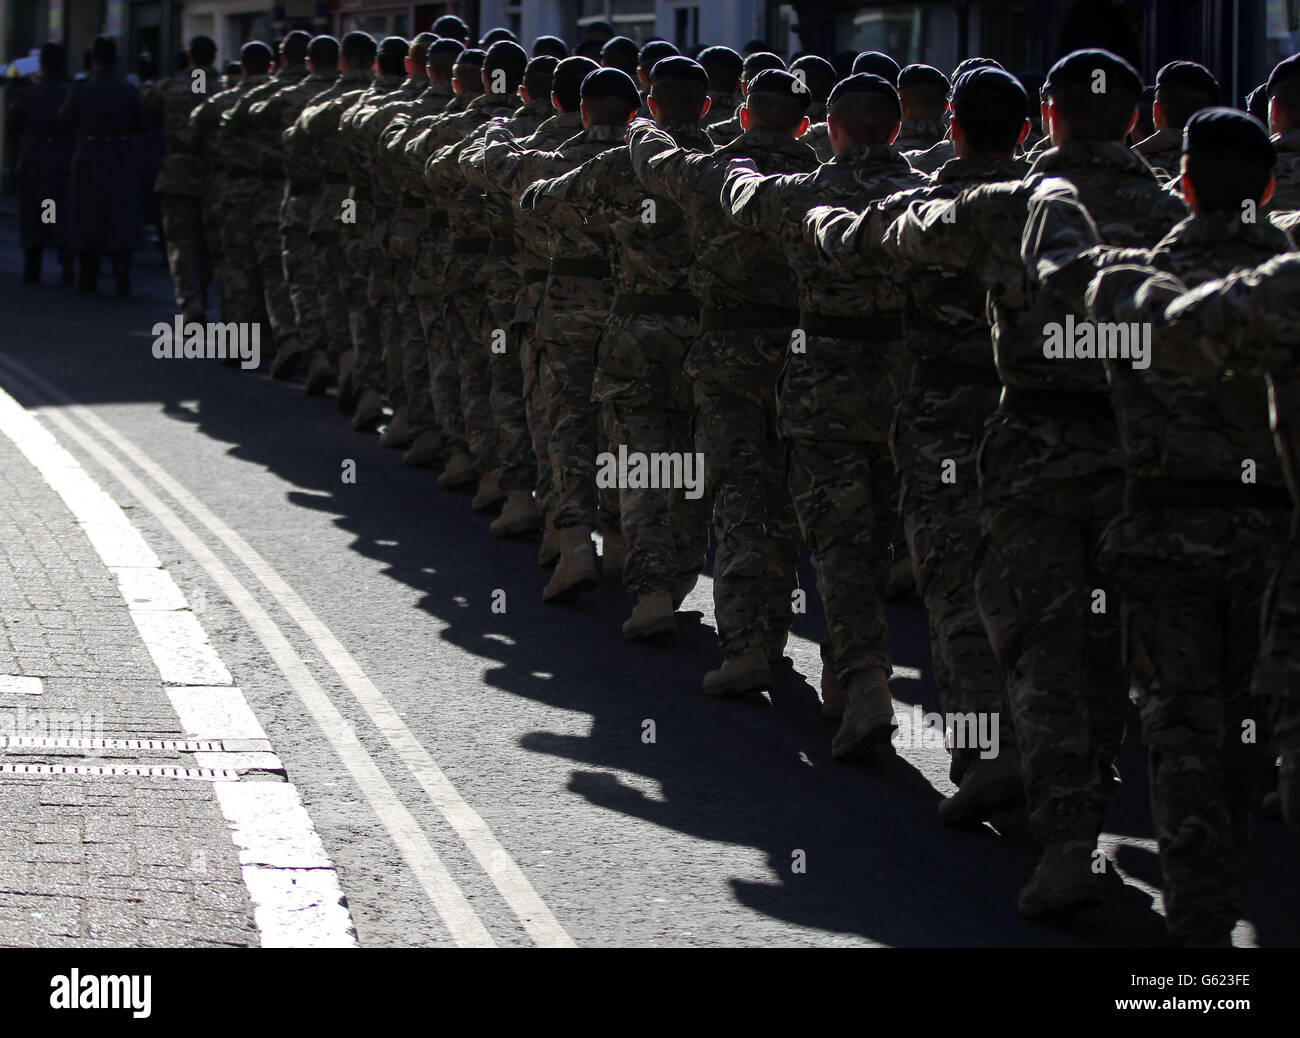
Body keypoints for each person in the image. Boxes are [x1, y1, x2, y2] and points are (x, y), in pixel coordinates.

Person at [887, 48, 1187, 919]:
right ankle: (1140, 838)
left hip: (1030, 449)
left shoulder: (1009, 205)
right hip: (1137, 456)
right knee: (1120, 652)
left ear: (1044, 116)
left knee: (1043, 642)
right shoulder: (1170, 209)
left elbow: (901, 238)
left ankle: (1067, 844)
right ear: (1135, 118)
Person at [1084, 106, 1291, 947]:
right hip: (1270, 539)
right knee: (1248, 721)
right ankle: (1233, 868)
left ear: (1186, 184)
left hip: (1164, 531)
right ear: (1268, 188)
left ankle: (1200, 918)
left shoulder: (1133, 282)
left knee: (1177, 725)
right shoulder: (1286, 280)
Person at [804, 66, 1032, 813]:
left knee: (948, 579)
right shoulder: (1060, 207)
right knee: (1050, 587)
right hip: (1047, 419)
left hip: (937, 405)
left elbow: (849, 240)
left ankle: (971, 740)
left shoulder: (927, 205)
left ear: (951, 128)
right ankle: (1072, 766)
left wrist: (821, 220)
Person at [720, 72, 927, 754]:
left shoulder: (809, 190)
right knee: (878, 540)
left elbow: (740, 198)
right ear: (894, 129)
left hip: (822, 390)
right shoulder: (923, 194)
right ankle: (845, 671)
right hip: (902, 387)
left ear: (829, 129)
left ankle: (865, 679)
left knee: (837, 540)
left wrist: (746, 160)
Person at [628, 67, 820, 692]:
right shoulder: (824, 185)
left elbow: (657, 160)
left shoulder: (713, 173)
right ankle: (773, 635)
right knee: (789, 502)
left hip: (727, 357)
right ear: (803, 123)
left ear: (741, 115)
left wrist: (642, 124)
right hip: (805, 358)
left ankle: (743, 649)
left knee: (738, 498)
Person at [58, 35, 145, 295]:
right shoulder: (128, 89)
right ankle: (121, 265)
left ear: (94, 60)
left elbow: (64, 121)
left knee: (87, 216)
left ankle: (88, 274)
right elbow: (140, 123)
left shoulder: (81, 88)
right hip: (119, 155)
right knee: (120, 215)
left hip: (89, 156)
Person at [6, 42, 74, 286]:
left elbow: (12, 125)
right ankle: (64, 254)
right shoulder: (70, 91)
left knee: (33, 212)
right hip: (61, 156)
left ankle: (32, 265)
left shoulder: (28, 93)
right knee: (57, 210)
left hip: (35, 156)